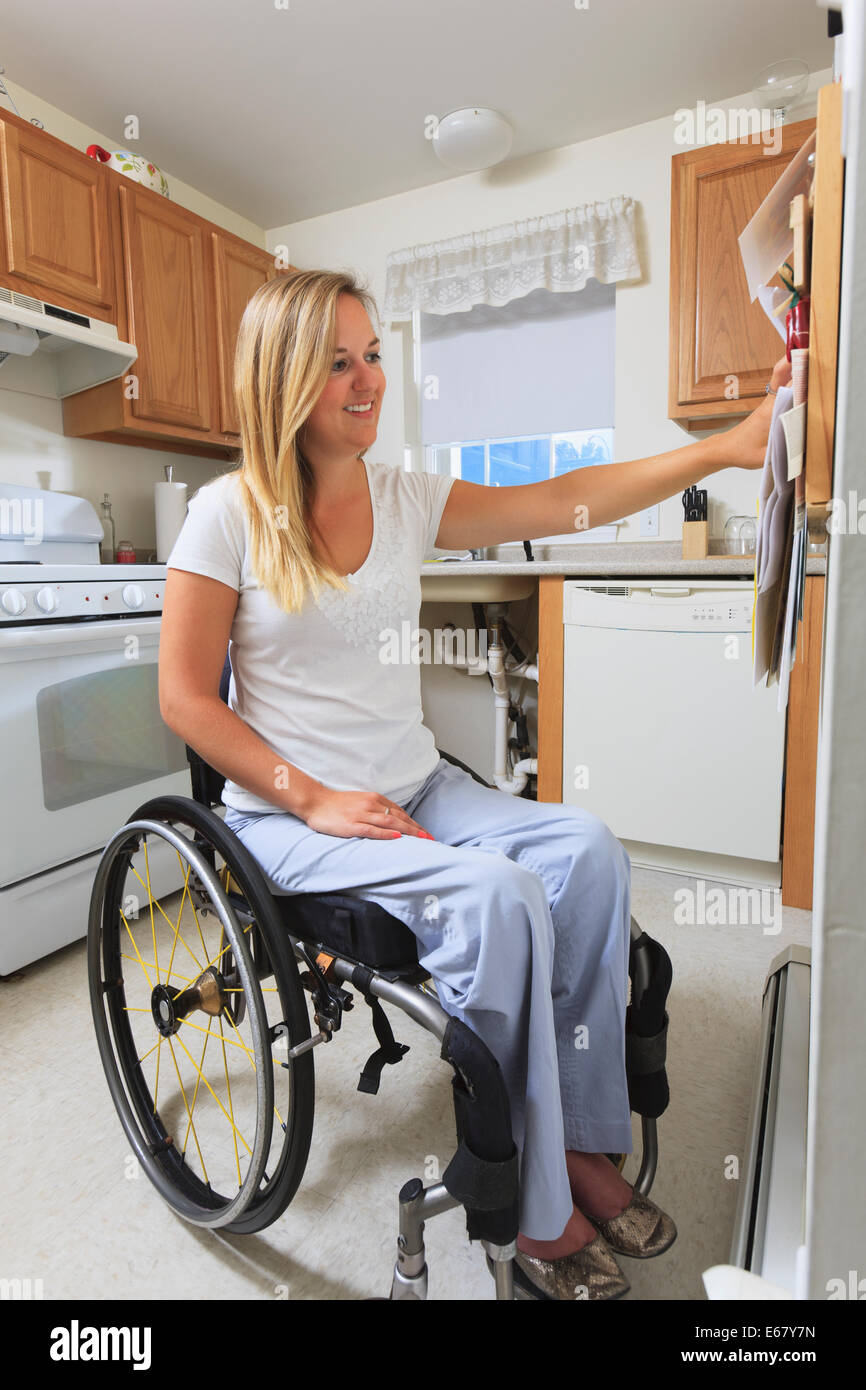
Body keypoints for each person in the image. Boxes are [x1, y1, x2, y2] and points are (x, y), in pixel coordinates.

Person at [161, 268, 791, 1300]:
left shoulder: (403, 497)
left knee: (585, 850)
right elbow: (186, 700)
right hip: (290, 815)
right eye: (336, 362)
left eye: (373, 355)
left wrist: (723, 448)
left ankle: (580, 1139)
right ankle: (529, 1206)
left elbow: (565, 496)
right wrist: (311, 795)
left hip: (416, 786)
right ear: (280, 378)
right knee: (496, 898)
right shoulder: (225, 516)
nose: (368, 381)